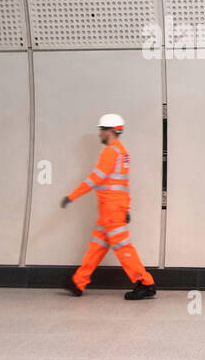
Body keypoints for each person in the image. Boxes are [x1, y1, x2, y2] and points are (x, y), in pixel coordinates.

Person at [61, 113, 156, 300]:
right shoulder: (123, 152)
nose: (99, 134)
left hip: (111, 209)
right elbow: (123, 183)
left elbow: (95, 179)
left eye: (101, 130)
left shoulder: (110, 152)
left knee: (122, 246)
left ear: (110, 131)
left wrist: (71, 196)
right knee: (97, 246)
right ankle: (78, 282)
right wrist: (126, 208)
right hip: (112, 209)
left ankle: (145, 283)